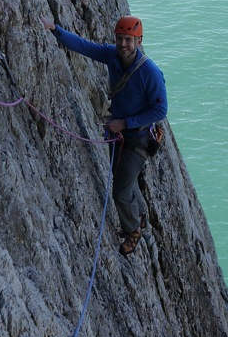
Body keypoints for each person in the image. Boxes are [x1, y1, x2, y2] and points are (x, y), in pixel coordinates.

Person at [41, 14, 167, 256]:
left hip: (137, 137)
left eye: (128, 40)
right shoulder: (113, 56)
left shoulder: (150, 73)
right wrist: (55, 29)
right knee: (124, 179)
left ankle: (133, 231)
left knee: (120, 190)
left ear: (139, 41)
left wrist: (126, 122)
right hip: (120, 132)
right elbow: (86, 47)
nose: (123, 45)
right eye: (120, 39)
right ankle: (140, 215)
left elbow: (160, 109)